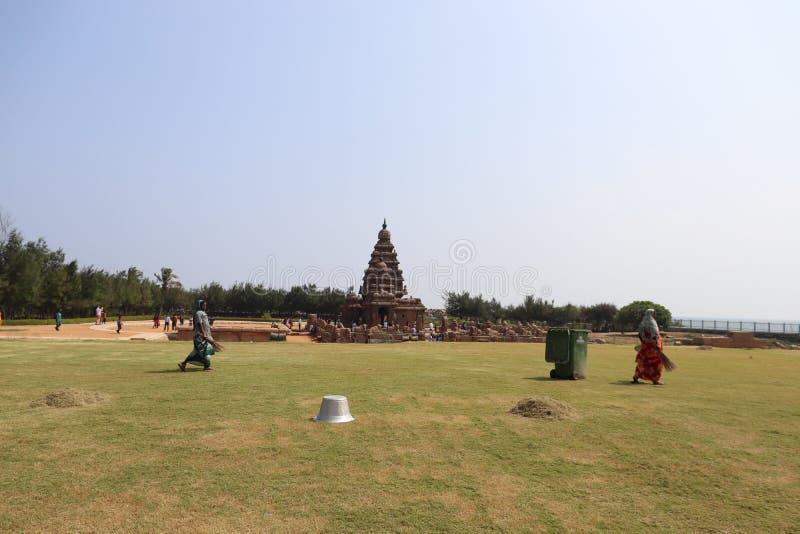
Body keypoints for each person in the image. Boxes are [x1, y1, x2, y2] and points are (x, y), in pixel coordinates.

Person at [179, 300, 216, 371]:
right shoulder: (198, 313)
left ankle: (184, 364)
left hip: (205, 335)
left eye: (206, 305)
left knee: (197, 352)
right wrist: (204, 333)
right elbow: (200, 324)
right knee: (204, 350)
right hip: (200, 336)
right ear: (200, 305)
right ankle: (206, 366)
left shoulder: (203, 313)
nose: (205, 306)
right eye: (204, 305)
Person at [632, 309, 664, 385]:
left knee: (643, 363)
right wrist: (657, 345)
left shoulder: (643, 322)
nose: (655, 315)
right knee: (656, 363)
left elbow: (640, 335)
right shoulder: (652, 322)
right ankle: (655, 380)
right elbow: (654, 335)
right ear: (652, 314)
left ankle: (636, 377)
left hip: (645, 347)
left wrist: (644, 342)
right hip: (652, 348)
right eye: (654, 313)